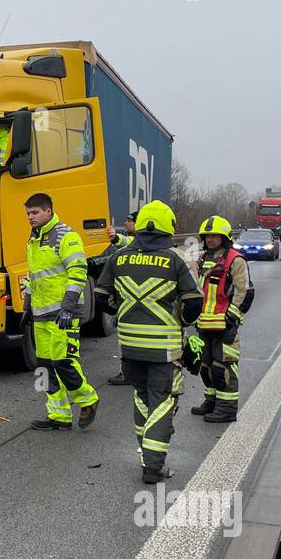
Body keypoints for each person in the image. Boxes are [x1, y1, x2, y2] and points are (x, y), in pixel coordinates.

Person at [97, 200, 202, 483]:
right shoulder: (178, 259)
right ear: (169, 227)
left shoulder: (118, 257)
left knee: (143, 399)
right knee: (164, 402)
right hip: (164, 349)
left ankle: (146, 456)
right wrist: (182, 322)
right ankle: (153, 467)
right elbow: (194, 303)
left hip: (129, 347)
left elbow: (100, 298)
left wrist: (123, 312)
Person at [23, 193, 98, 430]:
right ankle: (58, 415)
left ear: (48, 211)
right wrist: (27, 307)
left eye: (34, 212)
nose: (30, 217)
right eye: (27, 214)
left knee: (63, 361)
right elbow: (32, 276)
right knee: (44, 366)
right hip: (41, 314)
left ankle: (88, 399)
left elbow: (78, 273)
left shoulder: (66, 236)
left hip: (62, 315)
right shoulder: (34, 239)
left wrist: (67, 308)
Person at [189, 215, 255, 423]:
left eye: (214, 236)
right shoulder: (201, 259)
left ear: (224, 237)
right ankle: (212, 401)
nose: (210, 239)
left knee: (223, 367)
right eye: (207, 236)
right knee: (206, 367)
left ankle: (226, 409)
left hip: (224, 325)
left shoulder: (235, 259)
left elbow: (245, 292)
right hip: (204, 324)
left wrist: (231, 320)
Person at [103, 211, 137, 386]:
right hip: (132, 298)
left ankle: (127, 373)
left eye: (130, 221)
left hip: (130, 300)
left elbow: (125, 241)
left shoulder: (138, 242)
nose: (125, 223)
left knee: (126, 337)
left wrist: (115, 237)